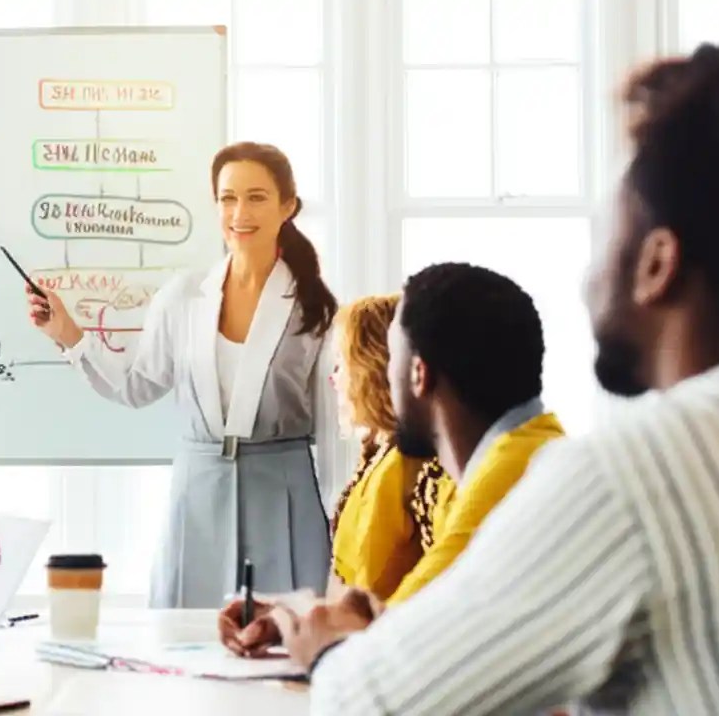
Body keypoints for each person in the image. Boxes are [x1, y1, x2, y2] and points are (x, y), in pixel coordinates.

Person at [287, 31, 719, 715]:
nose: (587, 274)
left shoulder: (631, 479)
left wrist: (330, 649)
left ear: (656, 263)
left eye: (606, 230)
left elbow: (370, 706)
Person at [27, 141, 339, 608]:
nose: (240, 213)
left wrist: (341, 516)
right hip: (197, 498)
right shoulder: (183, 296)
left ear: (287, 206)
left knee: (284, 635)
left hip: (286, 497)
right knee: (185, 632)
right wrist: (68, 333)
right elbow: (136, 387)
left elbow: (333, 430)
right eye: (228, 198)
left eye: (256, 197)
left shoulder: (315, 309)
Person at [222, 263, 564, 655]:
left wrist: (314, 639)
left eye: (392, 359)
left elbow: (393, 643)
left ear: (418, 374)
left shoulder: (509, 471)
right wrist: (289, 618)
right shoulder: (521, 451)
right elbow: (409, 614)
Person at [325, 295, 448, 600]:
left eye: (342, 364)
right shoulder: (381, 456)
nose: (333, 379)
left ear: (372, 369)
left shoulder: (409, 467)